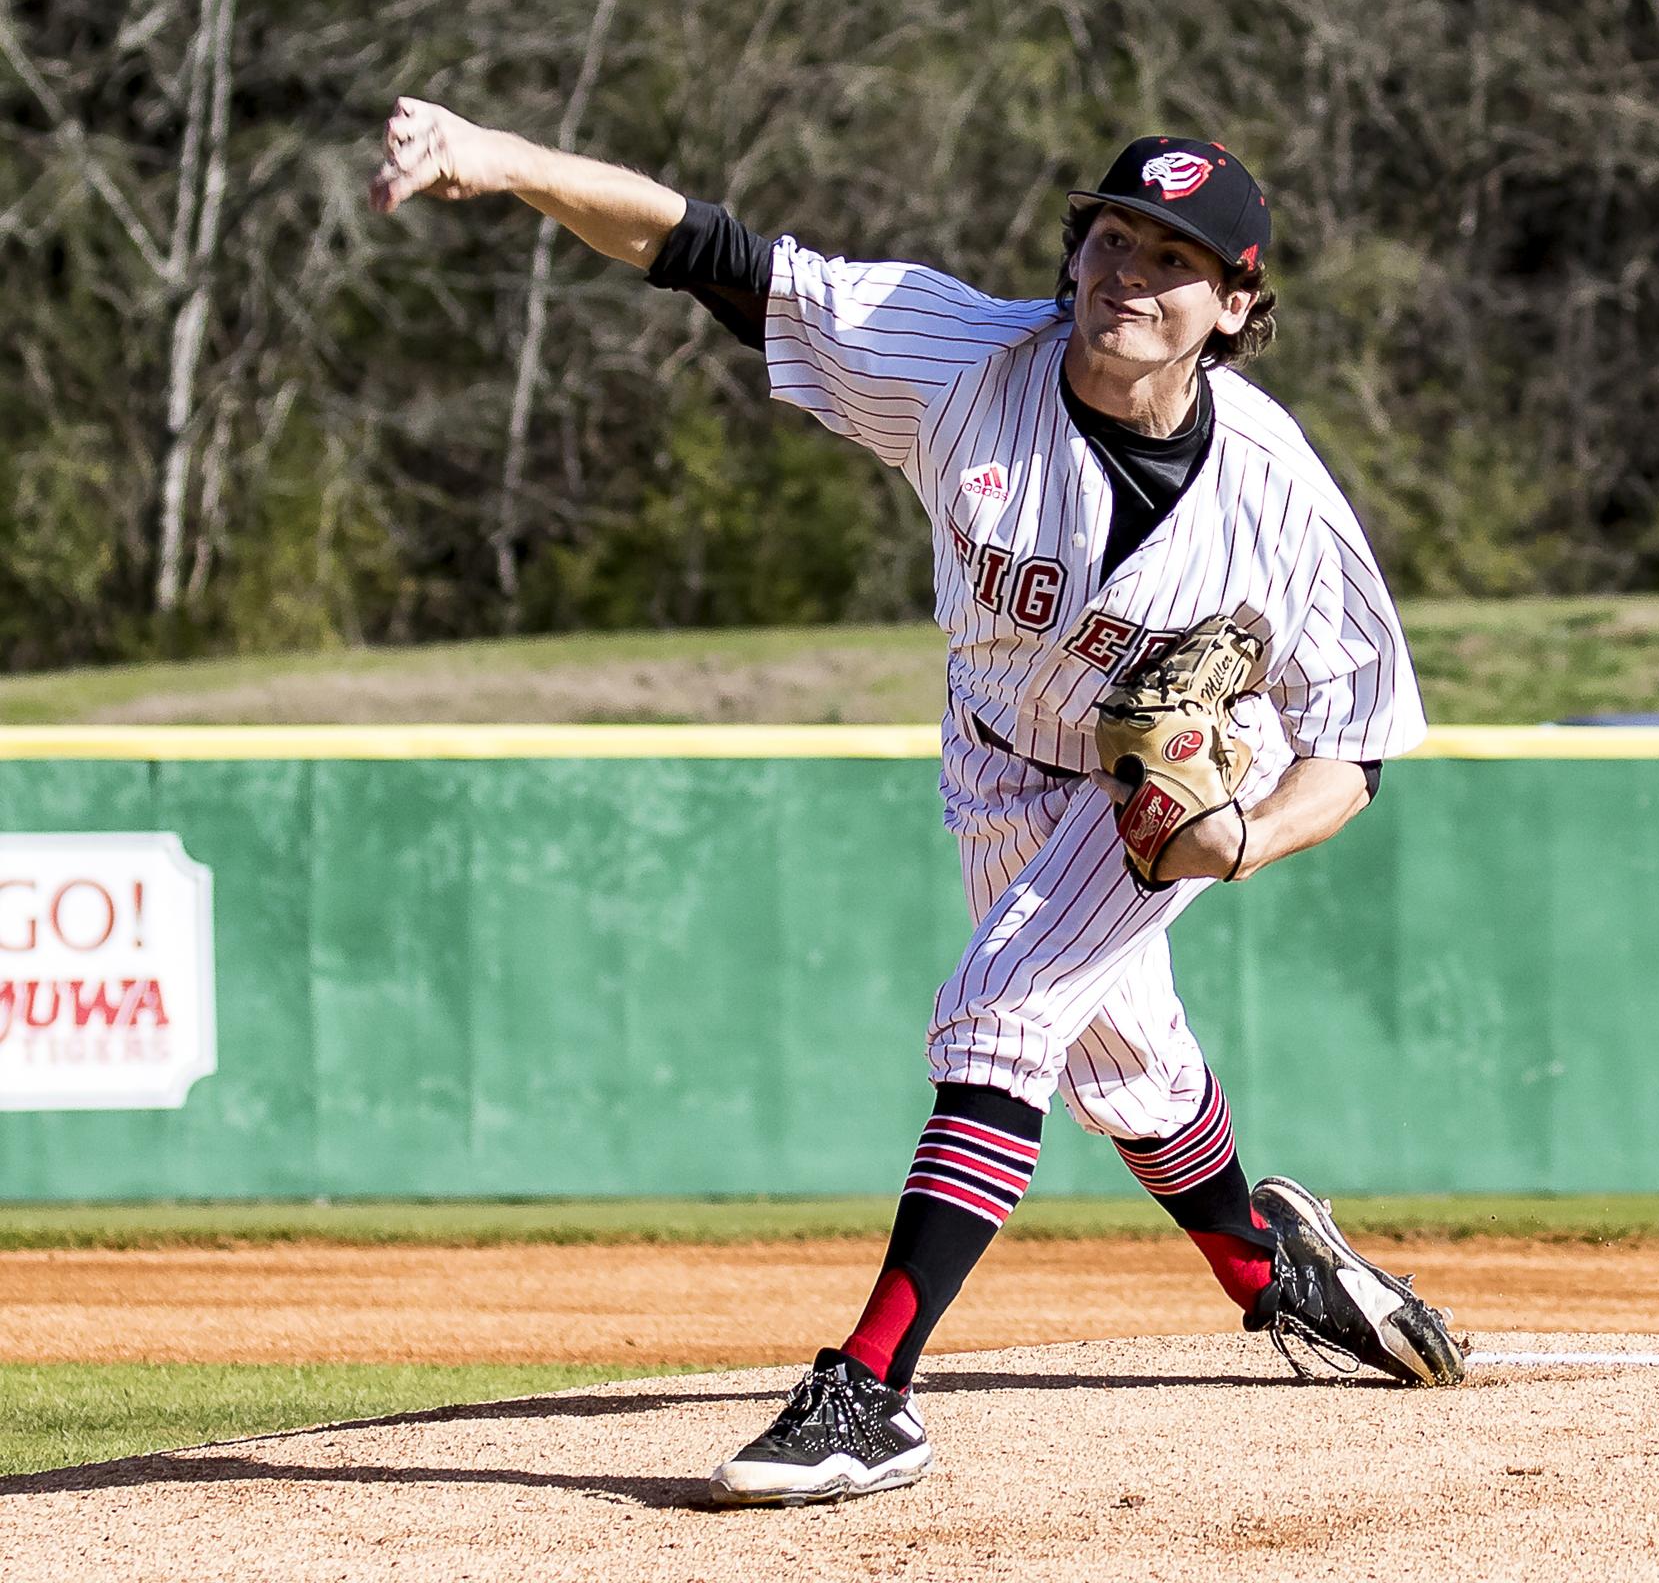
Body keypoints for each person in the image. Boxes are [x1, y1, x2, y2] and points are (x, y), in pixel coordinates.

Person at [370, 103, 1465, 1508]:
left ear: (1235, 307)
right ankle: (1272, 1265)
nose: (1127, 271)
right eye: (1111, 237)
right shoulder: (961, 358)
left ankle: (869, 1391)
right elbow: (711, 253)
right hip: (996, 750)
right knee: (1121, 1068)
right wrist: (503, 161)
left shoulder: (1276, 497)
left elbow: (1358, 741)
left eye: (1174, 259)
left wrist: (1239, 836)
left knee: (1001, 1014)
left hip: (1167, 781)